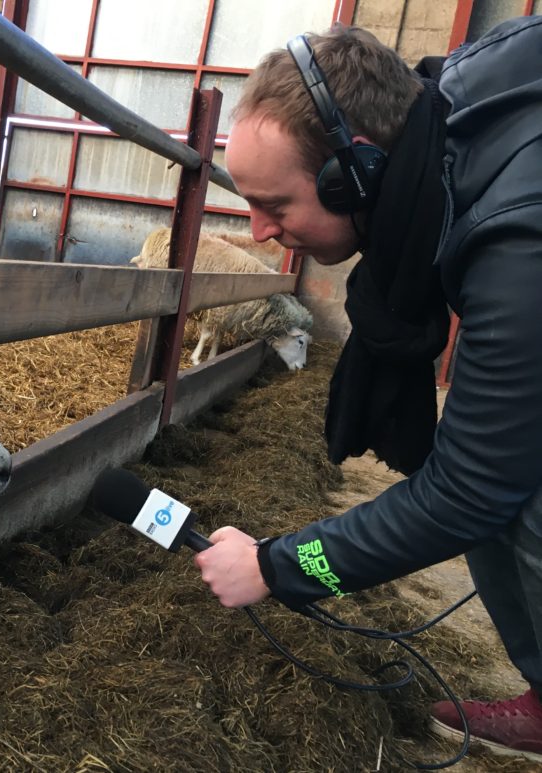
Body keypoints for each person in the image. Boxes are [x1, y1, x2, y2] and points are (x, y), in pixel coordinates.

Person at [193, 18, 542, 761]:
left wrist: (277, 567)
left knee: (517, 488)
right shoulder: (453, 141)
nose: (256, 231)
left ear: (357, 173)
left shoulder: (517, 242)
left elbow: (468, 494)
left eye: (275, 206)